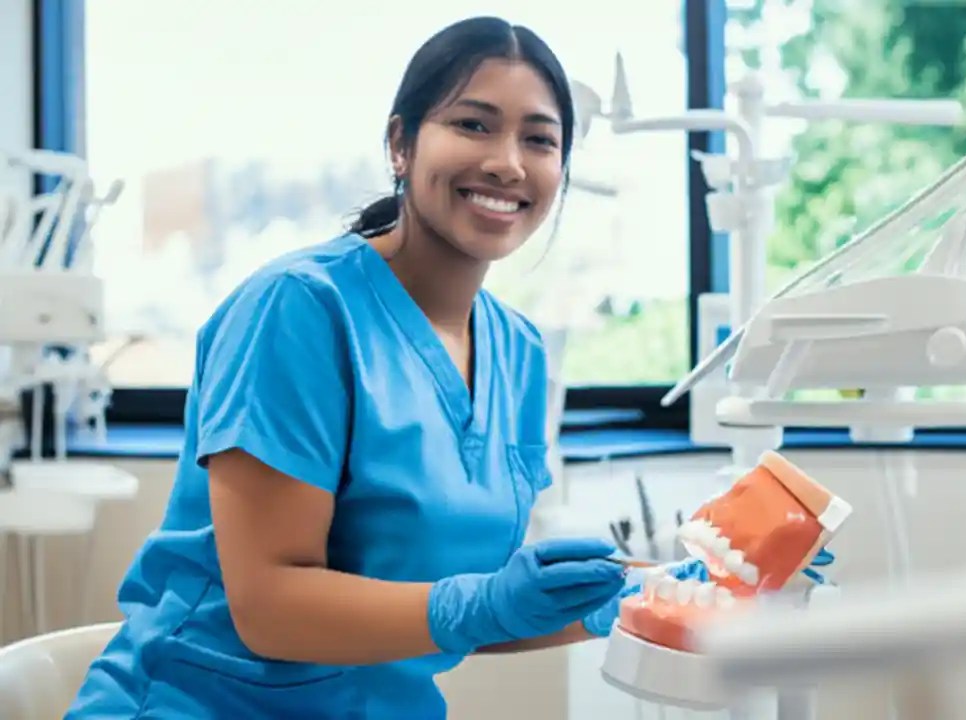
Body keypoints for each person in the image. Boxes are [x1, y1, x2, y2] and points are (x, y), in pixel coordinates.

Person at [64, 15, 831, 719]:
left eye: (540, 139)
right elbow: (271, 608)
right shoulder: (298, 310)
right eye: (472, 125)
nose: (506, 163)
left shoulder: (520, 354)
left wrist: (649, 592)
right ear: (401, 144)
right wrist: (480, 606)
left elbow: (469, 605)